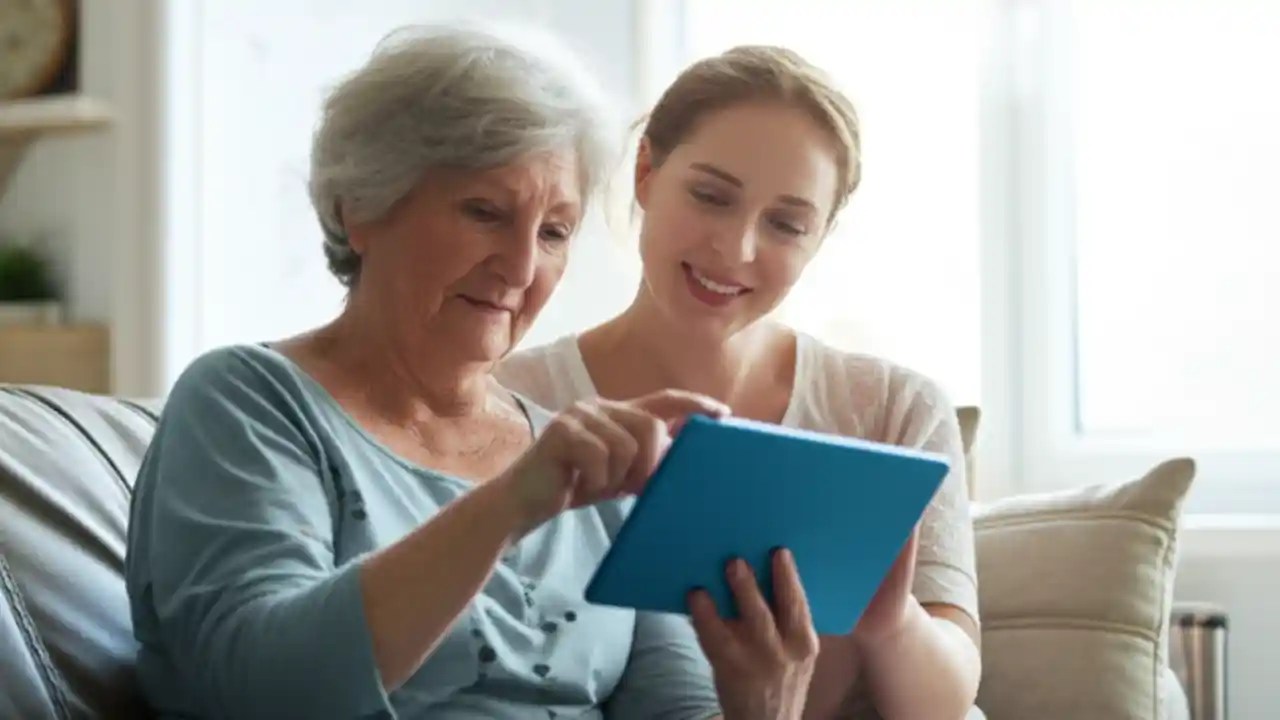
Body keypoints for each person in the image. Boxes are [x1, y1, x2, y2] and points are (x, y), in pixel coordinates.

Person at [124, 26, 820, 719]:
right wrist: (512, 504)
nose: (521, 270)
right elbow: (263, 693)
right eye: (484, 213)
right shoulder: (251, 401)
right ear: (361, 208)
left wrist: (764, 707)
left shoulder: (591, 476)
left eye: (553, 232)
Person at [495, 45, 983, 719]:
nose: (738, 248)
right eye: (710, 196)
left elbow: (947, 705)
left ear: (819, 238)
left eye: (786, 224)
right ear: (645, 174)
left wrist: (891, 621)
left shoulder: (896, 410)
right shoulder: (513, 400)